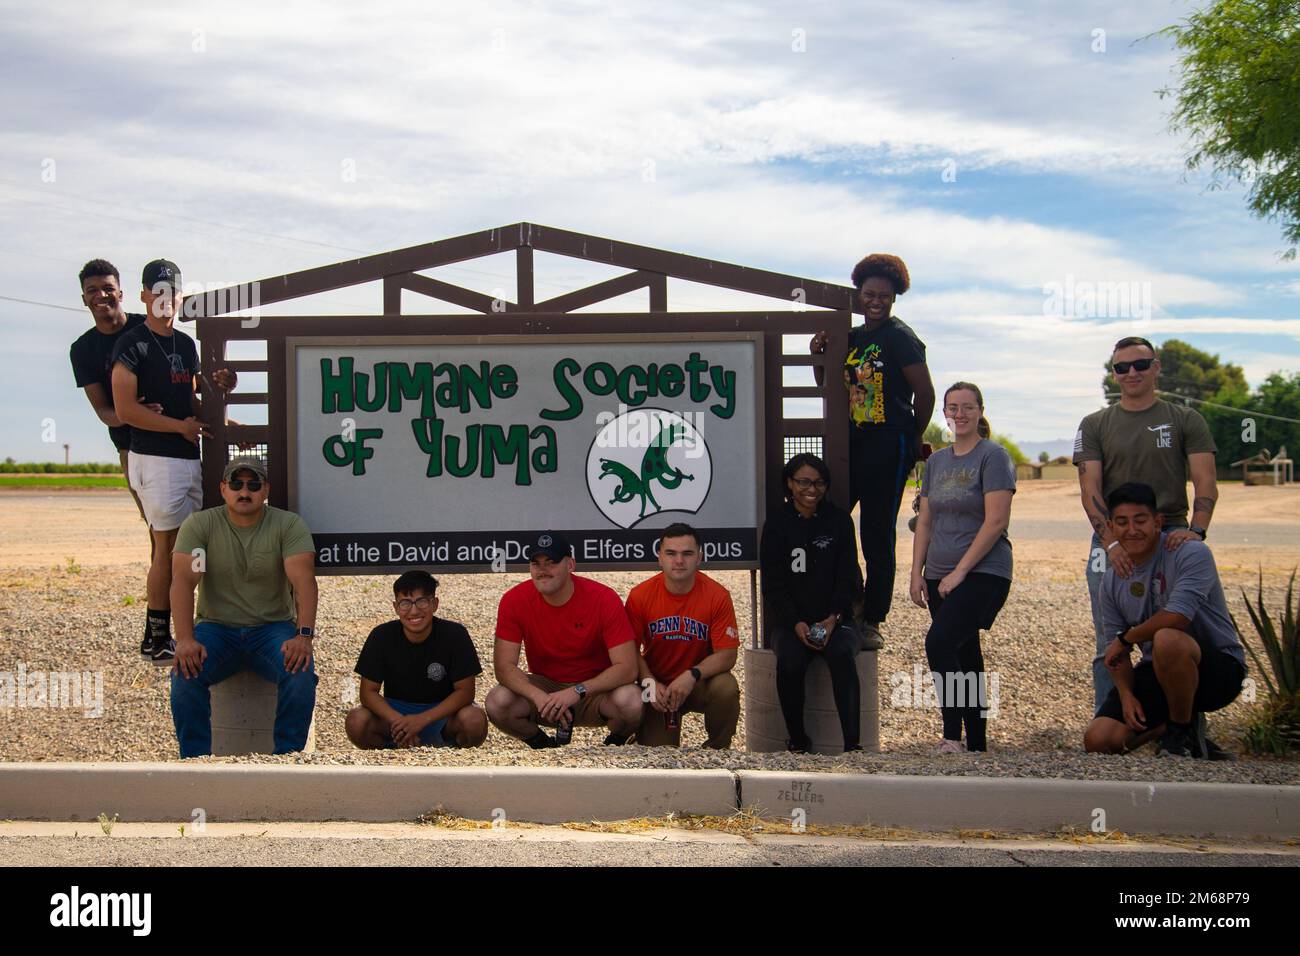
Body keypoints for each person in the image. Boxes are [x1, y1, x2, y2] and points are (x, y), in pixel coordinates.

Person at [1073, 336, 1218, 712]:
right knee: (1109, 637)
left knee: (1178, 631)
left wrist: (1197, 532)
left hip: (1171, 535)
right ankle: (1111, 721)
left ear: (1156, 367)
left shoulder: (1185, 419)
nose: (1131, 373)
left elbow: (1205, 481)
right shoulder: (1094, 424)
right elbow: (1090, 488)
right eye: (1122, 367)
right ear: (1114, 374)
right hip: (1112, 540)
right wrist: (1112, 544)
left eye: (1140, 364)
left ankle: (1184, 728)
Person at [810, 253, 934, 649]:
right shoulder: (851, 337)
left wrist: (912, 437)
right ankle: (845, 601)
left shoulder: (900, 337)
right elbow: (828, 385)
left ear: (894, 297)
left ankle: (873, 617)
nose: (875, 301)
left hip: (889, 443)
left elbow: (925, 392)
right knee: (831, 522)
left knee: (877, 533)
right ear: (858, 295)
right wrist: (819, 355)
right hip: (851, 442)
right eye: (869, 294)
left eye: (884, 295)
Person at [1083, 483, 1246, 759]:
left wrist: (1127, 638)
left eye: (1140, 520)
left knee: (1167, 638)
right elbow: (1115, 652)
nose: (1132, 530)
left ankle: (1179, 734)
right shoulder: (1111, 580)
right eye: (1122, 522)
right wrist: (1125, 695)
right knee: (1099, 740)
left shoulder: (1190, 553)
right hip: (1158, 668)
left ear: (1158, 522)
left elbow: (1177, 617)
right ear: (1110, 527)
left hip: (1217, 668)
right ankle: (1167, 729)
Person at [169, 458, 318, 758]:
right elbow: (184, 582)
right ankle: (195, 760)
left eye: (254, 484)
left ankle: (288, 758)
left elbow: (304, 583)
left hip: (272, 628)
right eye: (236, 484)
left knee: (300, 672)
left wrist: (303, 637)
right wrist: (185, 640)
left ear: (266, 490)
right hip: (216, 628)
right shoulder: (201, 526)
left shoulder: (287, 525)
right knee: (185, 673)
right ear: (223, 489)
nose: (244, 491)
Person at [110, 260, 214, 664]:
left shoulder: (185, 345)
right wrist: (178, 426)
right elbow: (125, 410)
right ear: (144, 296)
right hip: (155, 458)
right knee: (166, 548)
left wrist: (219, 407)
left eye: (172, 292)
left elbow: (192, 400)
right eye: (157, 292)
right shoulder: (132, 345)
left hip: (188, 456)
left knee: (190, 550)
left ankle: (186, 632)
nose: (165, 299)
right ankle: (155, 637)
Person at [909, 383, 1015, 753]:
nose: (960, 414)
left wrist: (961, 572)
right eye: (952, 407)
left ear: (980, 410)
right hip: (938, 572)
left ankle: (952, 734)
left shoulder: (993, 457)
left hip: (984, 571)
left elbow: (995, 521)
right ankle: (978, 743)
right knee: (965, 652)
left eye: (967, 407)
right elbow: (925, 521)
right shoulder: (936, 462)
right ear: (945, 414)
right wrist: (916, 573)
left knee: (938, 642)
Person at [485, 532, 642, 747]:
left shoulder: (603, 598)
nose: (542, 570)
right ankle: (543, 746)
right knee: (497, 701)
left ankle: (615, 744)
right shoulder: (514, 599)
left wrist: (576, 691)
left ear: (570, 564)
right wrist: (538, 696)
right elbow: (503, 667)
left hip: (594, 690)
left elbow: (627, 668)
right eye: (536, 563)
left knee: (632, 701)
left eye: (551, 562)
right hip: (546, 688)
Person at [760, 453, 864, 753]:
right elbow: (773, 585)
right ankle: (798, 741)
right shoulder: (777, 525)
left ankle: (852, 745)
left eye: (819, 483)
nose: (811, 489)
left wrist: (833, 619)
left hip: (835, 620)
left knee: (842, 654)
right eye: (803, 481)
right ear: (789, 484)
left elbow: (848, 578)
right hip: (794, 624)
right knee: (789, 662)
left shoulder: (839, 521)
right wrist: (796, 623)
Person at [625, 523, 741, 748]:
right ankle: (640, 734)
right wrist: (648, 681)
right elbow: (629, 649)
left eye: (687, 553)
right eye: (671, 553)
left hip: (697, 682)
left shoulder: (717, 595)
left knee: (726, 687)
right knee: (660, 754)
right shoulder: (640, 595)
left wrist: (692, 675)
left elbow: (727, 655)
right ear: (659, 557)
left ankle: (718, 748)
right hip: (658, 684)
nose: (679, 561)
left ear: (699, 557)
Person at [346, 570, 488, 749]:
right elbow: (368, 692)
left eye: (421, 601)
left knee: (474, 720)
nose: (414, 610)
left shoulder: (455, 634)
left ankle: (450, 754)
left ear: (435, 604)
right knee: (356, 721)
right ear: (395, 607)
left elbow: (466, 692)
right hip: (395, 716)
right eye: (405, 603)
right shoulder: (381, 635)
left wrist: (422, 719)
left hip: (441, 715)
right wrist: (401, 722)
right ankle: (390, 755)